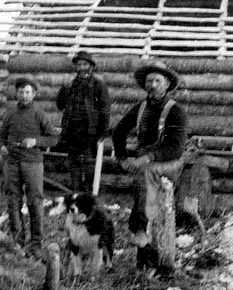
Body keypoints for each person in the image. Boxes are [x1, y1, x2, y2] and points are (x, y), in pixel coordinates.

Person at [111, 60, 188, 273]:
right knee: (142, 177)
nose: (152, 85)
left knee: (146, 173)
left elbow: (176, 148)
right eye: (149, 81)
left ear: (167, 84)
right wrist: (122, 157)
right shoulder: (141, 108)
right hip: (146, 161)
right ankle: (144, 259)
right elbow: (118, 131)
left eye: (157, 81)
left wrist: (147, 158)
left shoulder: (175, 111)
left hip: (170, 162)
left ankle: (141, 229)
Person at [0, 76, 58, 255]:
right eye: (20, 92)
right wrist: (2, 146)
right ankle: (17, 241)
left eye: (27, 92)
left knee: (35, 201)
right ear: (16, 94)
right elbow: (0, 136)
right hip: (12, 162)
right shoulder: (10, 114)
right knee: (13, 200)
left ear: (34, 94)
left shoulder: (39, 114)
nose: (23, 95)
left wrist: (36, 141)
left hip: (32, 163)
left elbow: (53, 138)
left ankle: (36, 243)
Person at [55, 50, 110, 192]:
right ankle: (75, 193)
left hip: (89, 132)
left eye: (84, 64)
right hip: (72, 131)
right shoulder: (71, 85)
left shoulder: (98, 85)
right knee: (74, 164)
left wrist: (103, 132)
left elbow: (105, 109)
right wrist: (64, 88)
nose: (81, 68)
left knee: (88, 162)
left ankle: (88, 194)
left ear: (90, 66)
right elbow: (60, 105)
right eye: (79, 65)